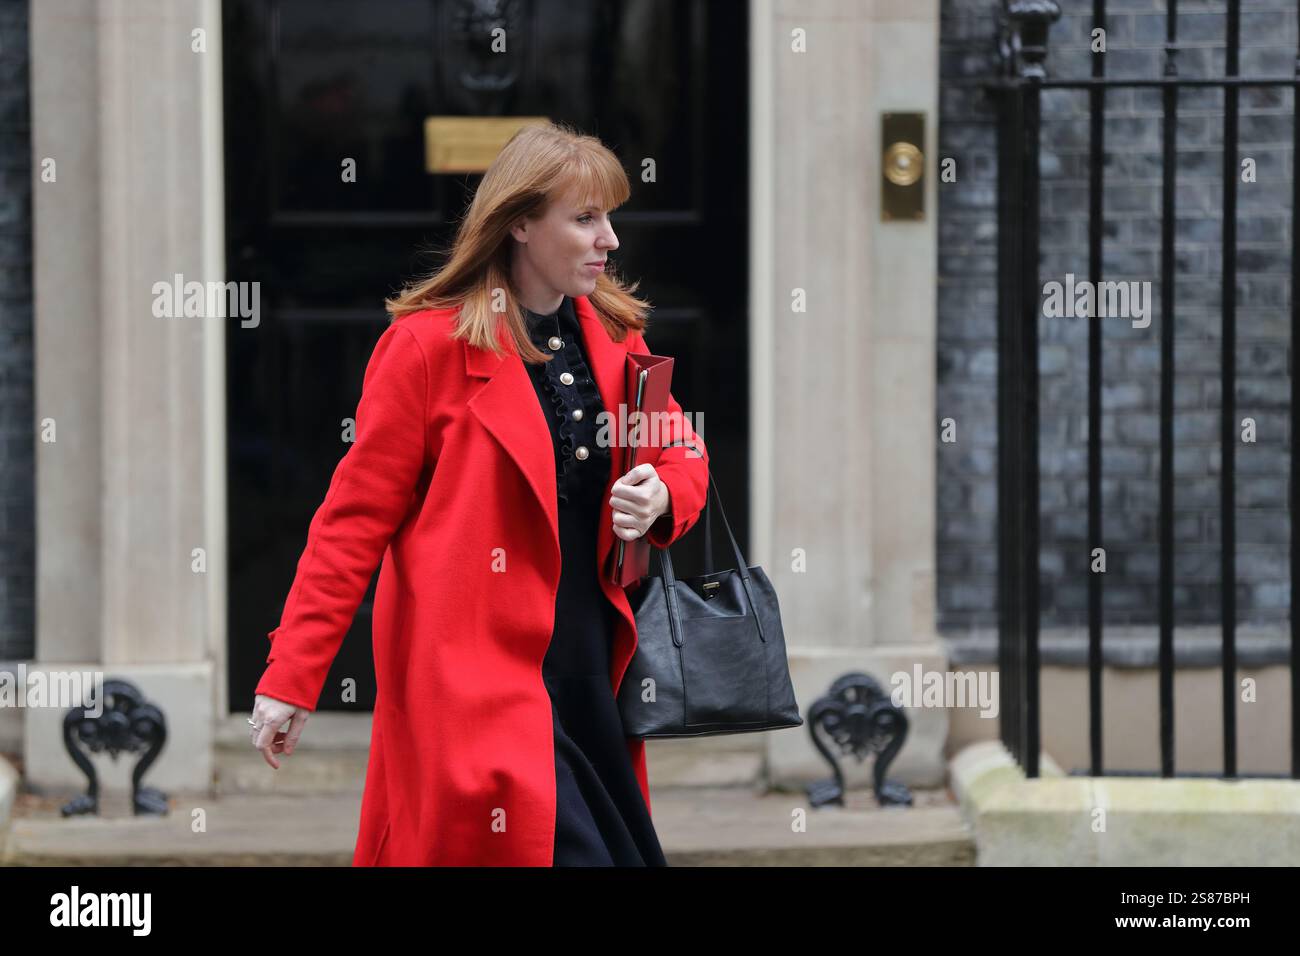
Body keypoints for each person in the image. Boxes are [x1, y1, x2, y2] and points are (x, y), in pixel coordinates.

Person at [247, 121, 709, 866]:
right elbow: (351, 524)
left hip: (593, 664)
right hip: (472, 678)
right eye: (586, 218)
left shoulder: (616, 336)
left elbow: (683, 448)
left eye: (609, 217)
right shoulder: (427, 348)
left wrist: (662, 497)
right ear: (521, 222)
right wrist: (291, 679)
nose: (610, 239)